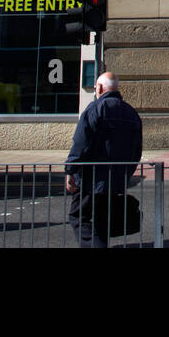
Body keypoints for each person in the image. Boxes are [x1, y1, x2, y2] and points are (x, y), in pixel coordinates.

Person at [65, 72, 143, 248]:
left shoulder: (95, 109)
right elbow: (137, 150)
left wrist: (70, 170)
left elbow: (81, 144)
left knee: (79, 216)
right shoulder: (131, 113)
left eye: (95, 87)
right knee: (101, 219)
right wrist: (125, 173)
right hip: (116, 179)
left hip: (91, 178)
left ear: (99, 88)